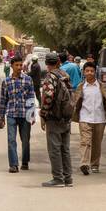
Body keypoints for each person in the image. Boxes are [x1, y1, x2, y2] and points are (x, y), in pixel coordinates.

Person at [73, 62, 106, 175]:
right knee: (85, 142)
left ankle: (94, 165)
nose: (89, 73)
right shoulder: (81, 87)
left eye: (91, 71)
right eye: (87, 71)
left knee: (97, 143)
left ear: (95, 72)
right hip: (84, 118)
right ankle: (84, 163)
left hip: (100, 118)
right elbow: (75, 101)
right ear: (83, 72)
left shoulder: (101, 86)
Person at [39, 52, 75, 187]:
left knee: (54, 149)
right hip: (66, 116)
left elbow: (48, 96)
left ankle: (58, 178)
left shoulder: (50, 77)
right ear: (59, 62)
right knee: (65, 149)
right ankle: (68, 178)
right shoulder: (65, 76)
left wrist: (43, 114)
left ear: (47, 64)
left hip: (54, 118)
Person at [0, 57, 35, 173]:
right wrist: (1, 116)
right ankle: (13, 164)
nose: (19, 67)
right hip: (11, 114)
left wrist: (32, 115)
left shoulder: (28, 80)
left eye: (21, 65)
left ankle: (25, 161)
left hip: (25, 115)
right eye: (17, 65)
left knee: (25, 140)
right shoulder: (6, 81)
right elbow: (3, 99)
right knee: (11, 140)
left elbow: (31, 98)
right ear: (12, 66)